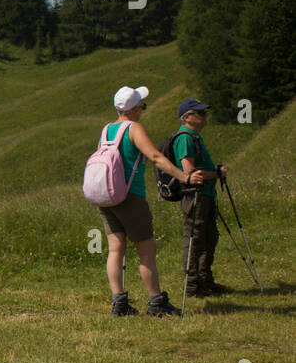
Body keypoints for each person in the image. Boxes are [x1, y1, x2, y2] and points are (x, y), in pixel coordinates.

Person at [98, 86, 203, 317]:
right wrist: (184, 176)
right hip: (130, 196)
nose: (143, 110)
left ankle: (119, 302)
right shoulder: (133, 128)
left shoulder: (106, 130)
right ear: (135, 109)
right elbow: (155, 157)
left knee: (115, 249)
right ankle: (156, 303)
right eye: (142, 106)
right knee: (146, 251)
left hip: (106, 196)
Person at [172, 98, 229, 297]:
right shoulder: (185, 138)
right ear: (187, 117)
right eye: (200, 113)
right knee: (195, 239)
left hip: (205, 195)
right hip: (195, 196)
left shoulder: (194, 136)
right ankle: (193, 286)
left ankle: (205, 280)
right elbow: (190, 172)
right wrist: (216, 174)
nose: (205, 117)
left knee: (209, 237)